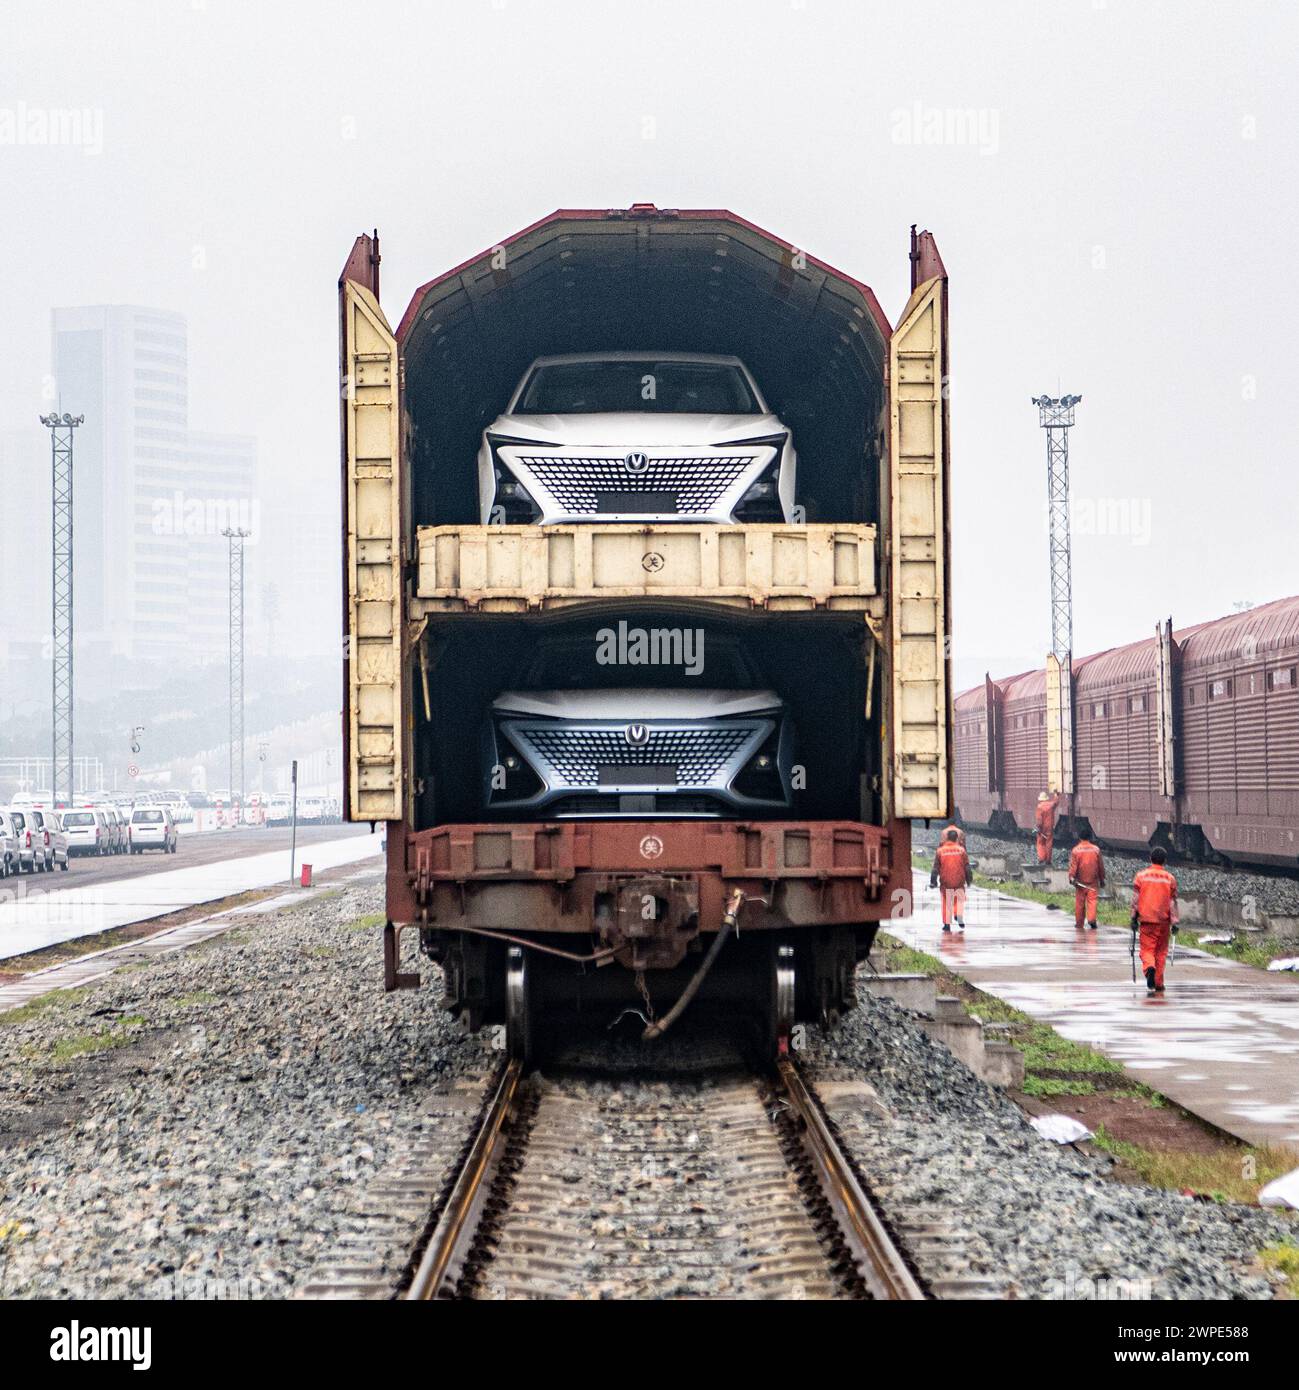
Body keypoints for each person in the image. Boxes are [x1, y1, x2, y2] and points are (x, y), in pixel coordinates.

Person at [1131, 846, 1179, 995]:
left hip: (1146, 921)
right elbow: (1172, 902)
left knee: (1147, 950)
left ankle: (1149, 969)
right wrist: (1175, 922)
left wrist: (1133, 917)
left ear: (1150, 858)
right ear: (1165, 861)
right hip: (1164, 921)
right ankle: (1158, 983)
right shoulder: (1170, 878)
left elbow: (1135, 900)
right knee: (1161, 952)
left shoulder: (1141, 876)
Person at [930, 826, 972, 932]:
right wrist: (969, 880)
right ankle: (958, 916)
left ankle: (947, 924)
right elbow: (967, 867)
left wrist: (933, 881)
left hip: (945, 881)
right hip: (959, 881)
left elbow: (935, 868)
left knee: (946, 902)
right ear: (957, 838)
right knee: (959, 900)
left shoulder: (940, 851)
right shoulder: (962, 851)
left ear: (947, 838)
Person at [1067, 833, 1106, 930]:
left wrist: (1071, 877)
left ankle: (1079, 923)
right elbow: (1100, 866)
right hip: (1093, 882)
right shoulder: (1096, 849)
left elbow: (1073, 866)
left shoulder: (1076, 850)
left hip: (1080, 882)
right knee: (1092, 901)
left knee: (1080, 904)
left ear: (1079, 838)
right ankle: (1092, 919)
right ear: (1090, 837)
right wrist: (1102, 879)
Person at [1034, 791, 1059, 864]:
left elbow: (1039, 819)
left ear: (1041, 799)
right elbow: (1056, 802)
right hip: (1050, 827)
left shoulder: (1039, 807)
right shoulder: (1051, 805)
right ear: (1046, 798)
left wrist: (1038, 828)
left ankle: (1042, 858)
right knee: (1049, 843)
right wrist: (1056, 795)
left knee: (1040, 843)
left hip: (1042, 828)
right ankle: (1048, 860)